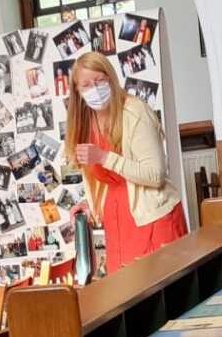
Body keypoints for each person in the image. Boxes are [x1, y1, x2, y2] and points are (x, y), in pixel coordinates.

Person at [66, 51, 188, 271]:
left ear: (111, 79)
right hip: (118, 222)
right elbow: (106, 180)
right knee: (124, 296)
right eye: (86, 85)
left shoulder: (134, 111)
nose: (94, 88)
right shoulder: (86, 123)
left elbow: (155, 174)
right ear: (77, 91)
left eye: (99, 80)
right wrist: (90, 206)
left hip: (152, 219)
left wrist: (104, 157)